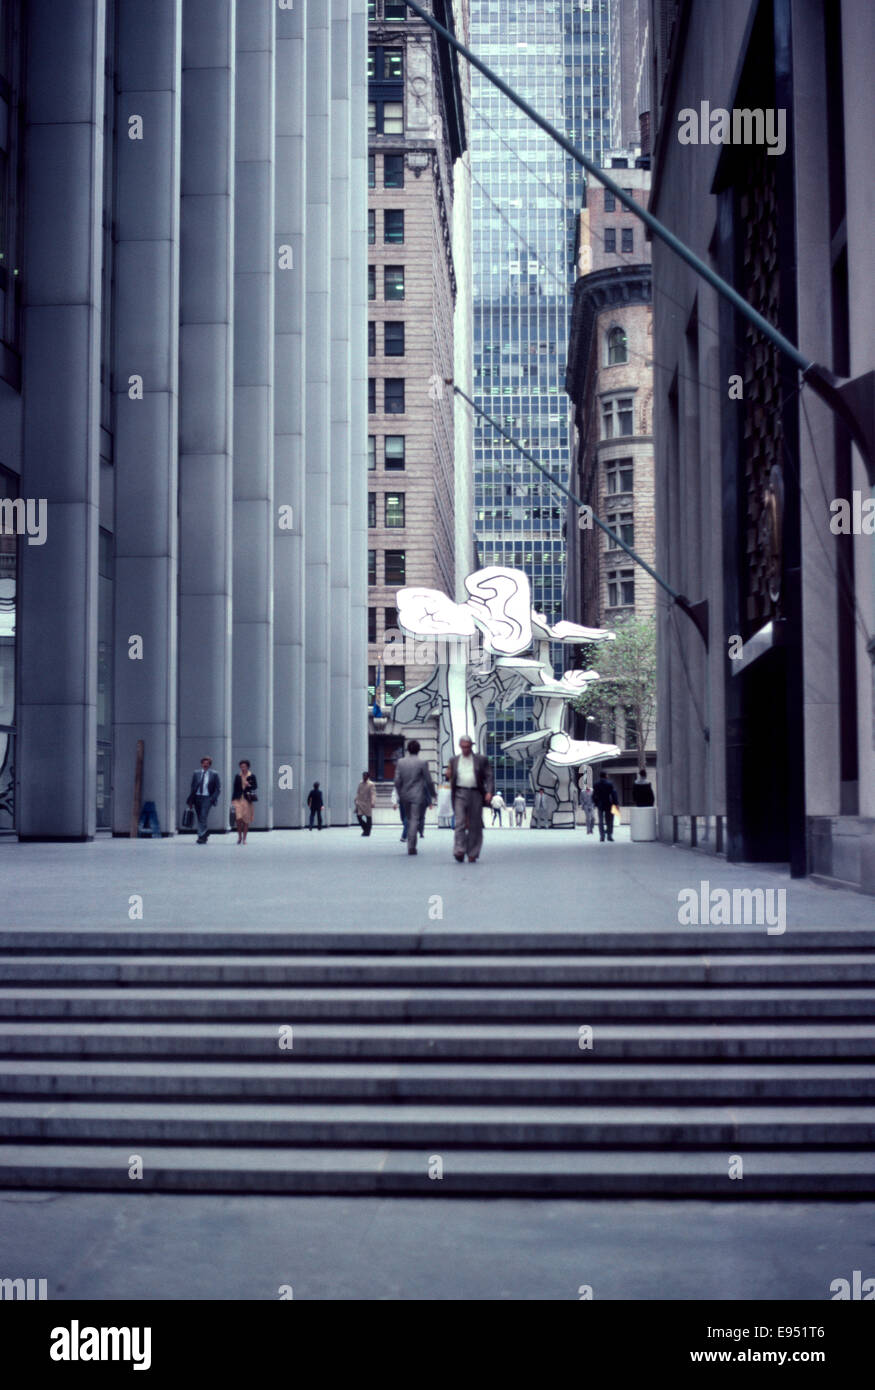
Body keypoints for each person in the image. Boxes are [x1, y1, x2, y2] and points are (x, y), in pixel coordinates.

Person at [448, 735, 493, 863]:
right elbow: (450, 776)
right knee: (459, 822)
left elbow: (489, 776)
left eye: (467, 747)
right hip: (459, 793)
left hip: (476, 793)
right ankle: (459, 850)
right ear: (460, 746)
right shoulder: (454, 760)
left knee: (475, 825)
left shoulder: (481, 759)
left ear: (471, 746)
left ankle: (473, 852)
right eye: (463, 747)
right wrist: (448, 776)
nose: (465, 750)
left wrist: (489, 792)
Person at [393, 739, 436, 856]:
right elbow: (428, 781)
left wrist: (399, 792)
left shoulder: (400, 762)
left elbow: (397, 780)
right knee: (414, 820)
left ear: (408, 749)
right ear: (419, 750)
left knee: (408, 818)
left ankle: (410, 844)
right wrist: (433, 794)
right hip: (417, 796)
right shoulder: (422, 763)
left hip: (404, 795)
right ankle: (411, 846)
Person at [187, 756, 221, 845]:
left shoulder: (214, 774)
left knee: (203, 816)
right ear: (201, 764)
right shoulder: (196, 773)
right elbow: (192, 787)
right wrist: (191, 800)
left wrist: (212, 798)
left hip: (207, 798)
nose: (205, 765)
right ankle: (205, 833)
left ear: (210, 765)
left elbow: (218, 788)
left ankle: (200, 836)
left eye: (207, 763)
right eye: (204, 763)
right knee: (200, 817)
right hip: (197, 797)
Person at [230, 759, 258, 846]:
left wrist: (249, 785)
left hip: (247, 799)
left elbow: (255, 786)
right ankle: (239, 837)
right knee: (238, 819)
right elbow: (235, 788)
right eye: (241, 766)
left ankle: (244, 839)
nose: (243, 768)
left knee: (246, 820)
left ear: (248, 767)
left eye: (244, 766)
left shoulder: (252, 776)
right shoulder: (237, 776)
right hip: (237, 799)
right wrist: (232, 800)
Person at [592, 768, 618, 842]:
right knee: (609, 820)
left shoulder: (596, 784)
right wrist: (615, 803)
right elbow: (613, 794)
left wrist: (595, 803)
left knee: (600, 821)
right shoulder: (610, 784)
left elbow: (594, 795)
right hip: (608, 804)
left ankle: (602, 836)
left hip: (600, 804)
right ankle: (609, 835)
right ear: (606, 776)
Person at [354, 771, 376, 836]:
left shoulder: (371, 784)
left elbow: (373, 794)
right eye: (363, 776)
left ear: (368, 777)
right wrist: (356, 799)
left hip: (368, 803)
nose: (364, 777)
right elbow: (358, 792)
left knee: (368, 817)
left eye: (365, 776)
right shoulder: (360, 783)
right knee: (358, 816)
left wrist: (373, 802)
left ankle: (367, 831)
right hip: (360, 802)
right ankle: (366, 828)